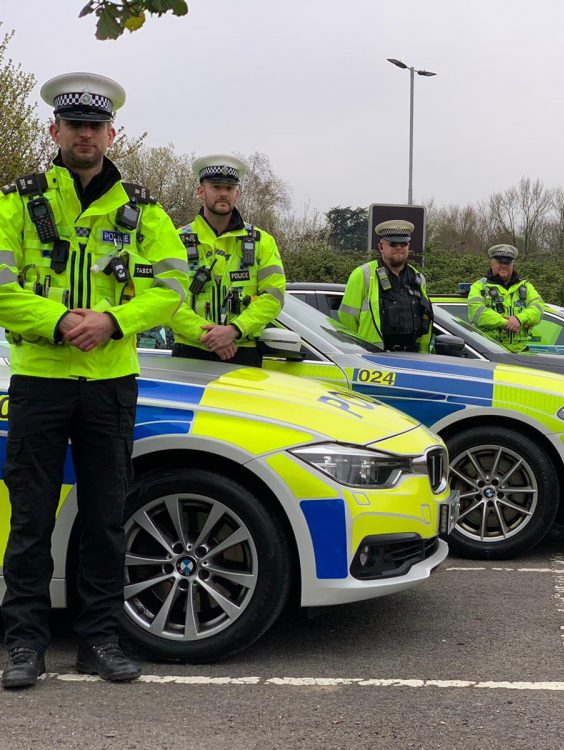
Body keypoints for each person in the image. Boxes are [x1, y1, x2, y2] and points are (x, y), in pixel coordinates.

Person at [0, 72, 188, 689]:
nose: (85, 134)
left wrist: (111, 320)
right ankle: (23, 643)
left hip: (110, 383)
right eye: (73, 125)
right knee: (31, 519)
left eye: (96, 126)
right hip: (40, 381)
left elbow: (172, 288)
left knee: (107, 519)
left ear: (112, 133)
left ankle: (98, 641)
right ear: (54, 131)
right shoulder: (17, 201)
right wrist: (58, 322)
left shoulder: (144, 209)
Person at [170, 154, 286, 367]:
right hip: (191, 350)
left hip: (243, 351)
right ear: (201, 191)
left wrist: (234, 330)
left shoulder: (262, 242)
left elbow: (274, 297)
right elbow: (167, 297)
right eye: (216, 187)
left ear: (237, 194)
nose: (223, 193)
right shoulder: (175, 240)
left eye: (229, 188)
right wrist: (208, 337)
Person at [339, 220, 433, 352]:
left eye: (404, 243)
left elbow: (425, 319)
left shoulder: (417, 278)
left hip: (413, 357)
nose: (399, 247)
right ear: (381, 247)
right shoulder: (363, 275)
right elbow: (347, 320)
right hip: (374, 358)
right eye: (393, 244)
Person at [467, 244, 544, 353]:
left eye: (507, 263)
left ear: (513, 265)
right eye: (500, 262)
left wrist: (518, 319)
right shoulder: (479, 287)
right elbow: (477, 313)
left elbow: (538, 309)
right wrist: (506, 323)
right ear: (491, 264)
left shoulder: (526, 287)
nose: (504, 266)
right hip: (488, 353)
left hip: (521, 353)